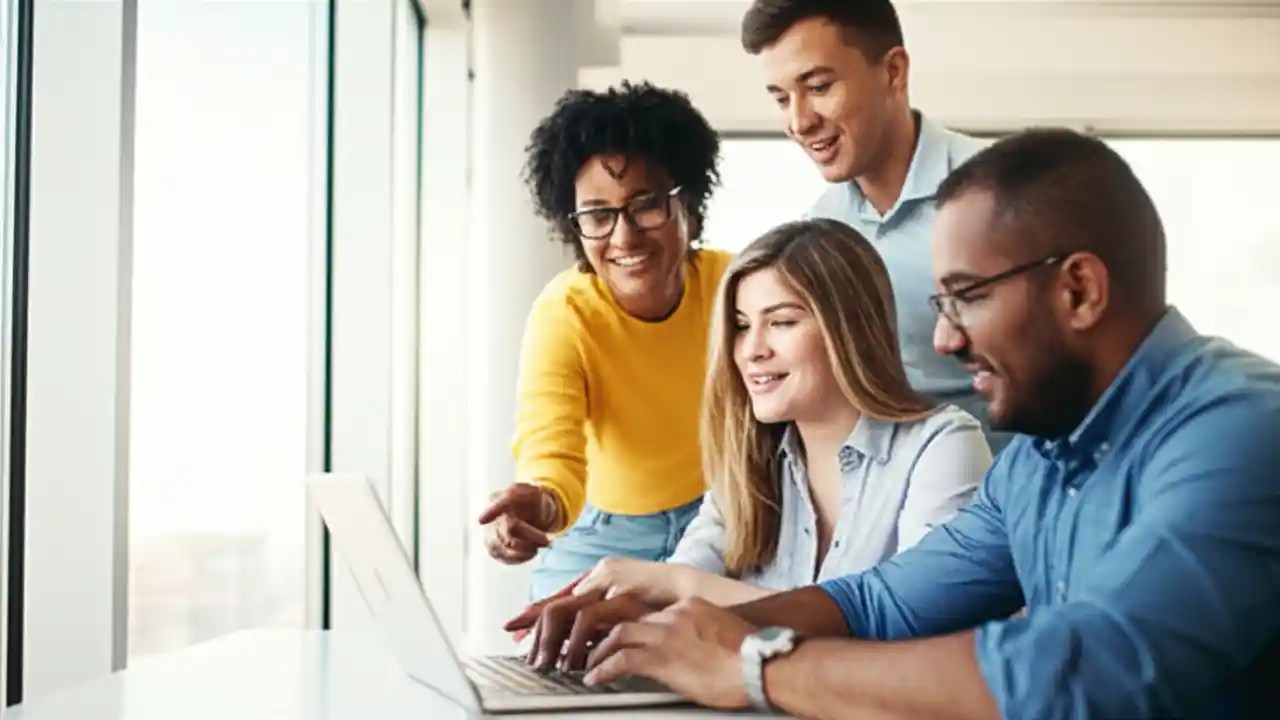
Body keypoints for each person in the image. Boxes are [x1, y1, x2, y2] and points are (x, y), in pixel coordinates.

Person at [560, 130, 1280, 718]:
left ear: (1079, 290)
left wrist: (754, 666)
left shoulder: (1241, 431)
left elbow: (1091, 670)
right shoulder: (1039, 457)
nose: (945, 342)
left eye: (965, 298)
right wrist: (669, 634)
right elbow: (880, 601)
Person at [507, 218, 992, 671]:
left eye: (781, 322)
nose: (752, 348)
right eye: (741, 325)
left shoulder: (943, 447)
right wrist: (622, 613)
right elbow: (685, 587)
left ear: (850, 329)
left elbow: (920, 637)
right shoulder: (749, 461)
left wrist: (679, 586)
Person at [475, 82, 734, 601]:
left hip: (723, 521)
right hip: (599, 537)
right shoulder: (565, 313)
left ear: (689, 205)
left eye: (646, 205)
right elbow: (553, 450)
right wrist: (541, 502)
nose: (624, 237)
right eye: (598, 215)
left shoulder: (735, 287)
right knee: (561, 668)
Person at [741, 0, 1011, 451]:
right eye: (782, 99)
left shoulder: (1001, 192)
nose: (799, 121)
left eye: (820, 87)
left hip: (1010, 496)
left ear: (893, 72)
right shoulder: (824, 226)